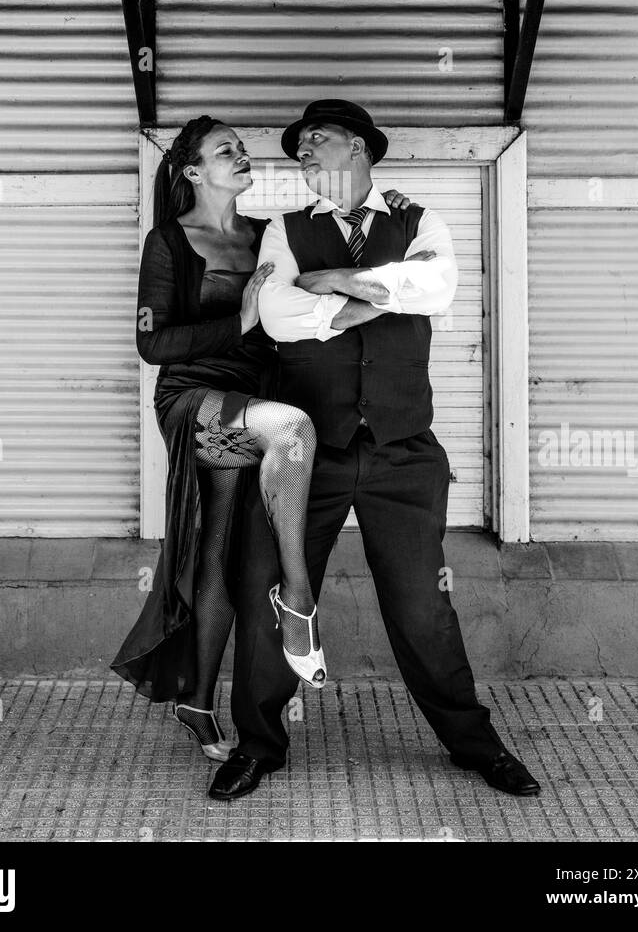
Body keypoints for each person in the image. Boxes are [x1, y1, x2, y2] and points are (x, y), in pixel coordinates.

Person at [208, 99, 541, 800]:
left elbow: (439, 284)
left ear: (358, 148)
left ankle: (473, 744)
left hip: (403, 452)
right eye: (297, 146)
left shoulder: (420, 221)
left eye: (317, 140)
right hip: (307, 452)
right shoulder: (283, 230)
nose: (302, 152)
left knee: (423, 607)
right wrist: (382, 296)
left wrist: (335, 283)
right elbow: (279, 317)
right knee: (276, 596)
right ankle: (258, 745)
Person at [110, 116, 324, 762]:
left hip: (248, 397)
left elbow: (318, 276)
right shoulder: (169, 242)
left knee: (217, 554)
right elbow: (152, 343)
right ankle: (298, 595)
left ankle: (196, 700)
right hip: (193, 401)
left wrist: (392, 216)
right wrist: (238, 320)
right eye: (224, 149)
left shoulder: (268, 235)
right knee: (291, 429)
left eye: (241, 147)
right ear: (193, 172)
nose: (240, 154)